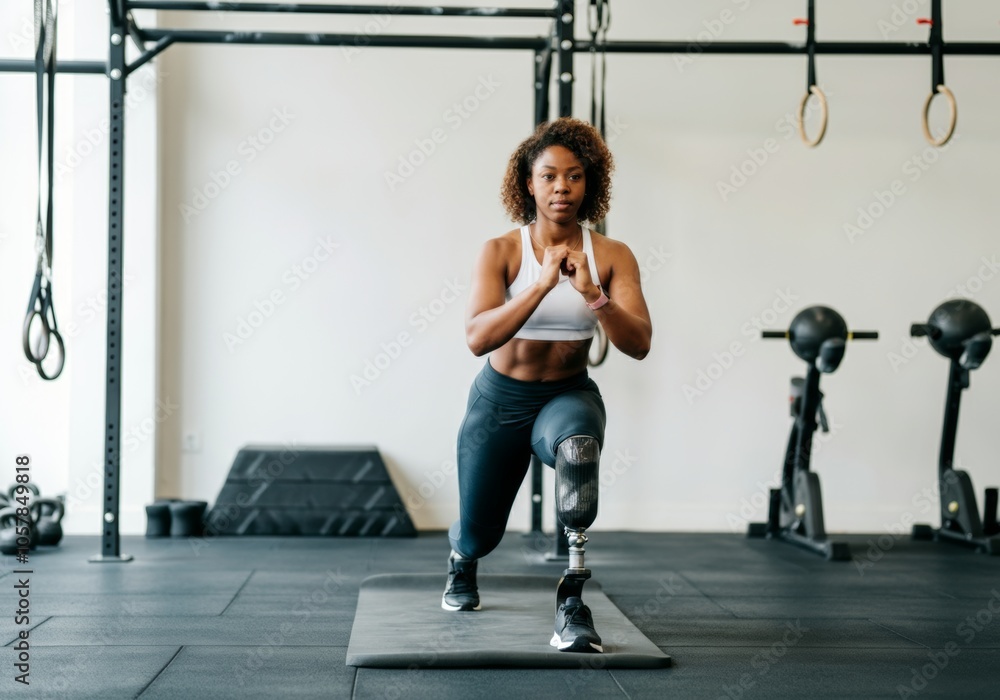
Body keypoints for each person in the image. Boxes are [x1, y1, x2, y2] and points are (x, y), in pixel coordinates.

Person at [442, 117, 652, 653]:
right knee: (479, 531)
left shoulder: (611, 255)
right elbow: (476, 338)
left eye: (575, 176)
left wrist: (595, 296)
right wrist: (541, 284)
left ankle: (572, 600)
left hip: (568, 395)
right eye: (550, 176)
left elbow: (639, 343)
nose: (562, 187)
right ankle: (462, 561)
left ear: (590, 185)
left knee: (580, 449)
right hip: (500, 399)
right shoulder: (501, 251)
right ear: (528, 184)